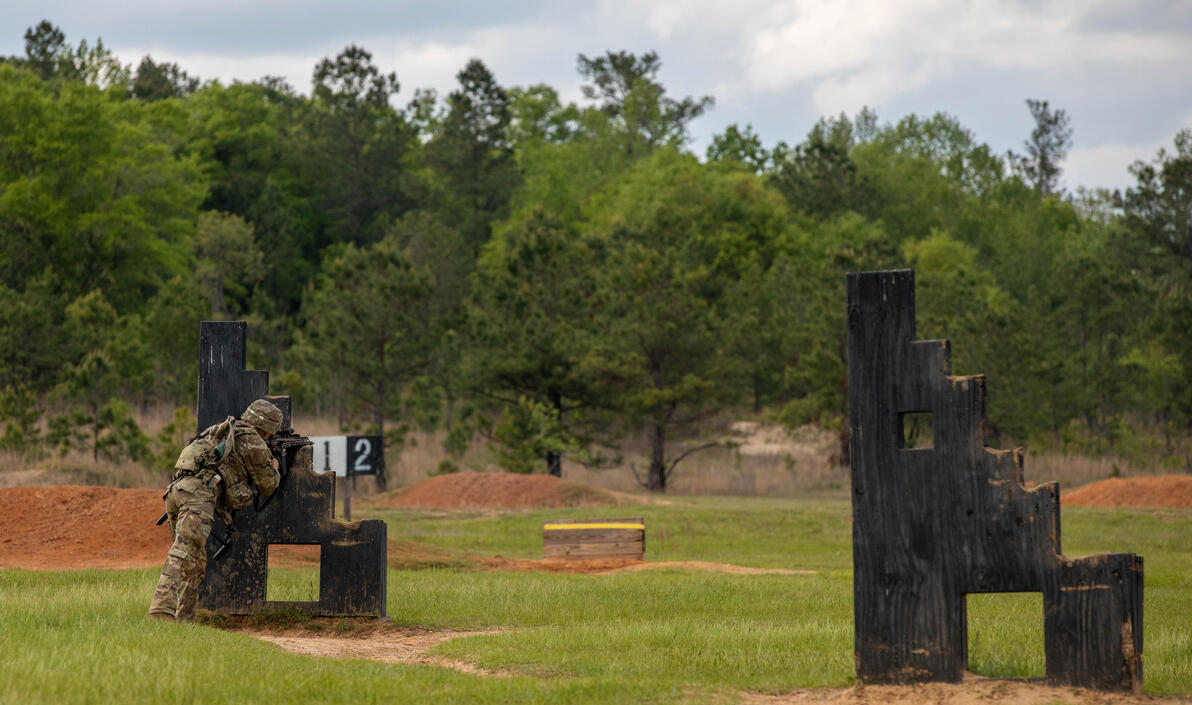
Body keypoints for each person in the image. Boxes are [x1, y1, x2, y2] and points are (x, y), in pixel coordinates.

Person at [148, 399, 282, 622]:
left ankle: (184, 621)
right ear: (266, 429)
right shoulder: (252, 440)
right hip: (198, 495)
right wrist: (275, 465)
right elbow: (268, 484)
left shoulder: (222, 430)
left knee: (196, 561)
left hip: (176, 490)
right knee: (184, 551)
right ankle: (161, 610)